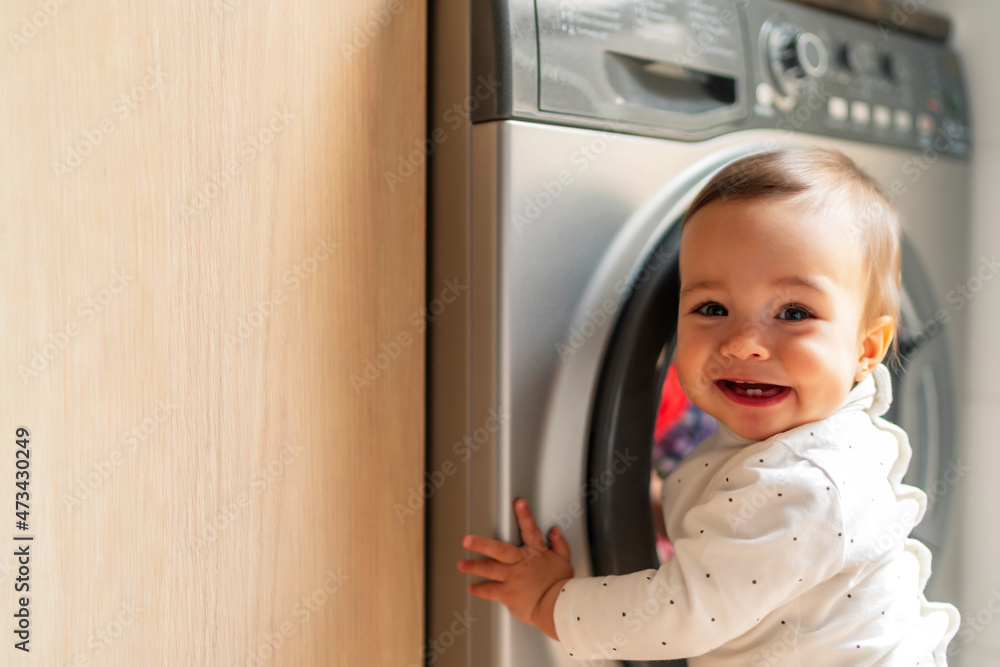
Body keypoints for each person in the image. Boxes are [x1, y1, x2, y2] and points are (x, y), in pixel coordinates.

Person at [456, 147, 962, 664]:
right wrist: (657, 503)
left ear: (867, 350)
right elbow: (736, 532)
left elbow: (685, 611)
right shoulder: (794, 442)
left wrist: (549, 602)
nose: (744, 342)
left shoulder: (812, 483)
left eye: (793, 312)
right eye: (712, 308)